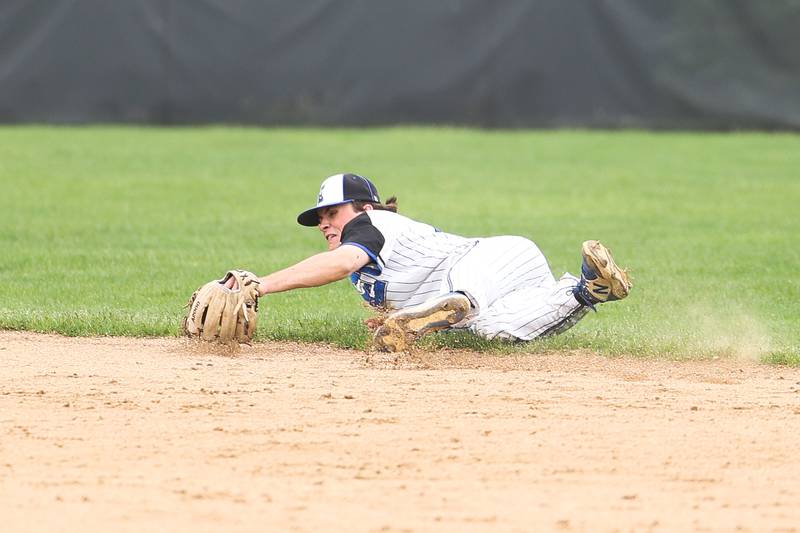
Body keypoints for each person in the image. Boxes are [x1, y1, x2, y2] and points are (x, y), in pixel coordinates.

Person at [239, 173, 631, 351]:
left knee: (463, 294)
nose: (324, 223)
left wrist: (262, 284)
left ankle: (452, 305)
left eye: (332, 213)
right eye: (319, 219)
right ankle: (589, 289)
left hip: (490, 260)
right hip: (503, 280)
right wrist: (400, 317)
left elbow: (342, 263)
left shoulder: (369, 223)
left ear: (364, 207)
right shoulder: (371, 245)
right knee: (493, 333)